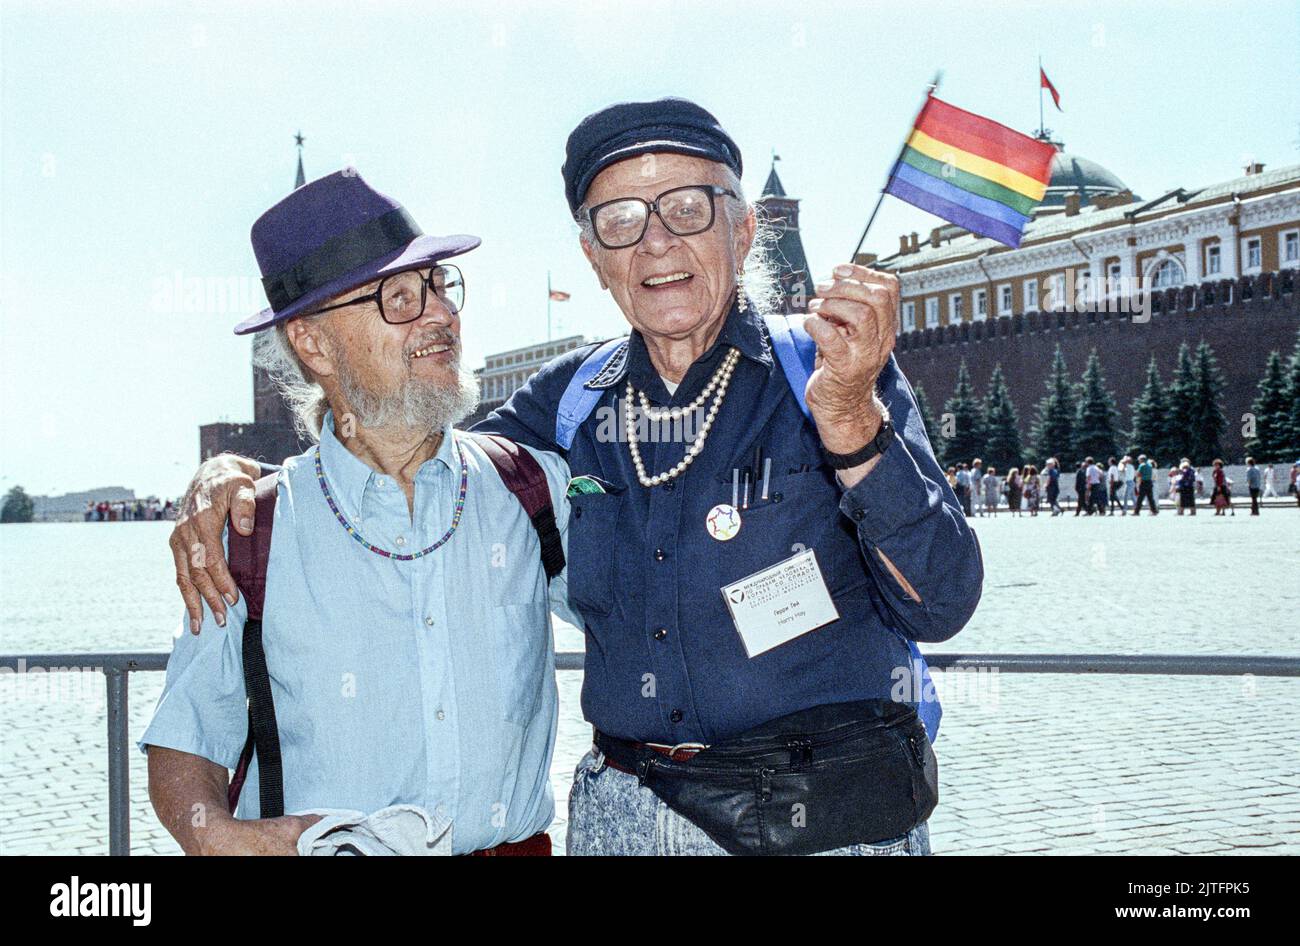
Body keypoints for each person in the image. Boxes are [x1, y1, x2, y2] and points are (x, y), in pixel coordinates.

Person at [168, 98, 983, 856]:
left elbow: (942, 604)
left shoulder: (829, 373)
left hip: (829, 821)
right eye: (622, 220)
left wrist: (848, 424)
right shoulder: (565, 408)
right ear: (593, 256)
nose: (657, 243)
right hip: (627, 820)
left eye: (689, 209)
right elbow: (399, 452)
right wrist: (228, 480)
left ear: (744, 227)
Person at [142, 171, 568, 856]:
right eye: (398, 297)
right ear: (312, 343)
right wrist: (215, 836)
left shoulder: (530, 490)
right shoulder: (251, 534)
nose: (439, 315)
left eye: (438, 285)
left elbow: (660, 619)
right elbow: (186, 735)